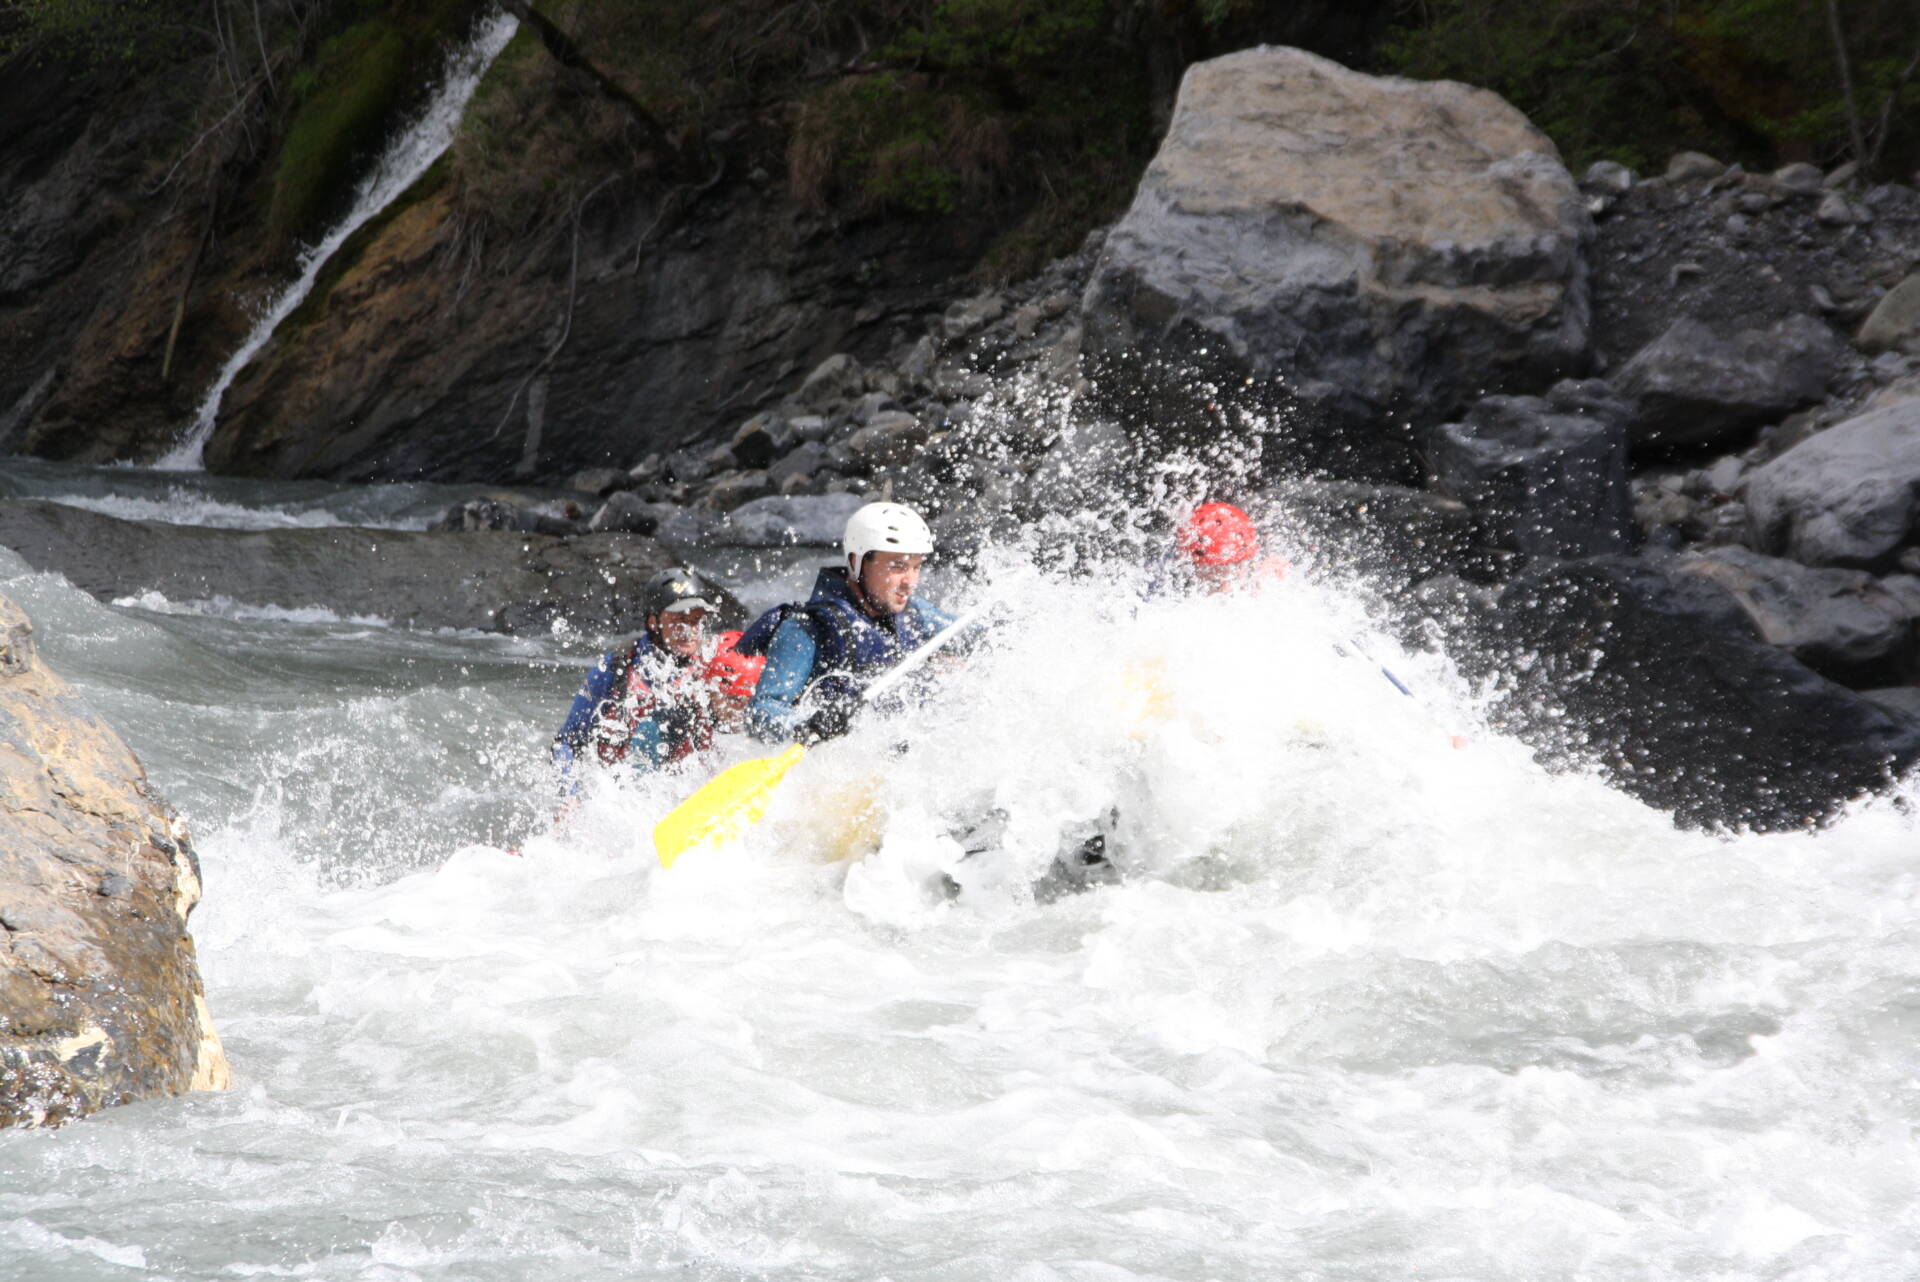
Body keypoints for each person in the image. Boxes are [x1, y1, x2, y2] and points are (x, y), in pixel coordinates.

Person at [743, 501, 956, 745]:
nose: (910, 582)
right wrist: (804, 727)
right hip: (838, 764)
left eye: (916, 567)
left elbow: (974, 634)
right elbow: (761, 711)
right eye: (897, 567)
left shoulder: (915, 612)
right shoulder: (806, 628)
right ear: (857, 562)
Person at [551, 568, 764, 789]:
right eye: (679, 619)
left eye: (696, 619)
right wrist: (568, 795)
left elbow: (737, 728)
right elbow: (567, 742)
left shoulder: (715, 664)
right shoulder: (615, 669)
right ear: (653, 622)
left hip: (685, 785)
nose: (689, 629)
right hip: (620, 790)